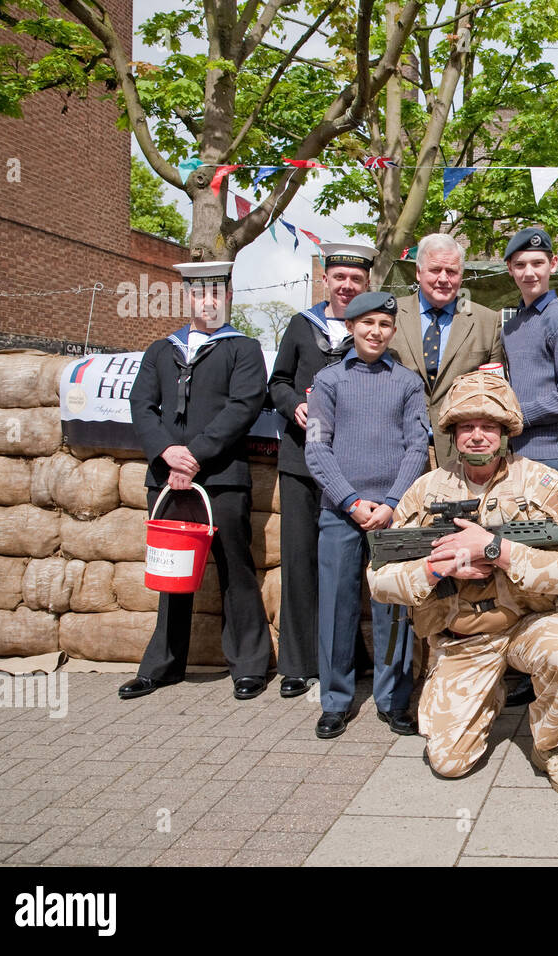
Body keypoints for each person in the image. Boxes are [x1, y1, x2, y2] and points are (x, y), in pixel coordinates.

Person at [367, 371, 558, 797]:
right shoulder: (425, 490)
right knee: (450, 764)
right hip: (462, 638)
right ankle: (487, 693)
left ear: (506, 431)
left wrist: (497, 550)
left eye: (488, 426)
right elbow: (379, 581)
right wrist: (437, 570)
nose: (477, 436)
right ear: (452, 433)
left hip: (529, 625)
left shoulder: (542, 484)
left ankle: (553, 747)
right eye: (466, 427)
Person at [120, 260, 272, 701]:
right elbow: (142, 405)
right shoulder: (159, 350)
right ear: (186, 298)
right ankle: (162, 666)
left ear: (228, 297)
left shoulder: (243, 349)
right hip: (166, 478)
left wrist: (196, 455)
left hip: (221, 478)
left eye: (215, 293)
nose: (207, 301)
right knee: (170, 571)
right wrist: (167, 453)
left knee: (235, 570)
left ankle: (248, 666)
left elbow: (244, 406)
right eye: (198, 294)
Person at [304, 291, 429, 739]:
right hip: (341, 512)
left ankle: (394, 700)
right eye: (367, 323)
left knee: (393, 608)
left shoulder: (408, 383)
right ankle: (334, 701)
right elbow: (317, 449)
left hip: (393, 515)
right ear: (352, 327)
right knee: (337, 606)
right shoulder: (327, 382)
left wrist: (393, 501)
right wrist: (351, 502)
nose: (376, 332)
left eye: (385, 325)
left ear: (393, 331)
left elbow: (418, 447)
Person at [268, 241, 377, 699]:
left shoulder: (371, 330)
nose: (347, 285)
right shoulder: (300, 326)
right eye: (340, 278)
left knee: (347, 565)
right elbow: (277, 382)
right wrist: (293, 405)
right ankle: (297, 664)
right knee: (299, 560)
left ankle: (349, 657)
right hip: (300, 462)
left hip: (349, 468)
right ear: (326, 279)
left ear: (365, 283)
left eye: (356, 279)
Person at [500, 227, 558, 629]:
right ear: (510, 270)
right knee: (522, 563)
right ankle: (533, 662)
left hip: (555, 457)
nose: (530, 272)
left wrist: (516, 413)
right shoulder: (515, 324)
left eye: (538, 263)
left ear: (553, 264)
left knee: (556, 566)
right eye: (520, 265)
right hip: (518, 459)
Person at [388, 233, 506, 469]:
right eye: (435, 270)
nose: (444, 278)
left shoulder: (487, 321)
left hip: (462, 455)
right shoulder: (388, 316)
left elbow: (496, 396)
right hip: (398, 447)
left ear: (461, 277)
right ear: (419, 273)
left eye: (451, 272)